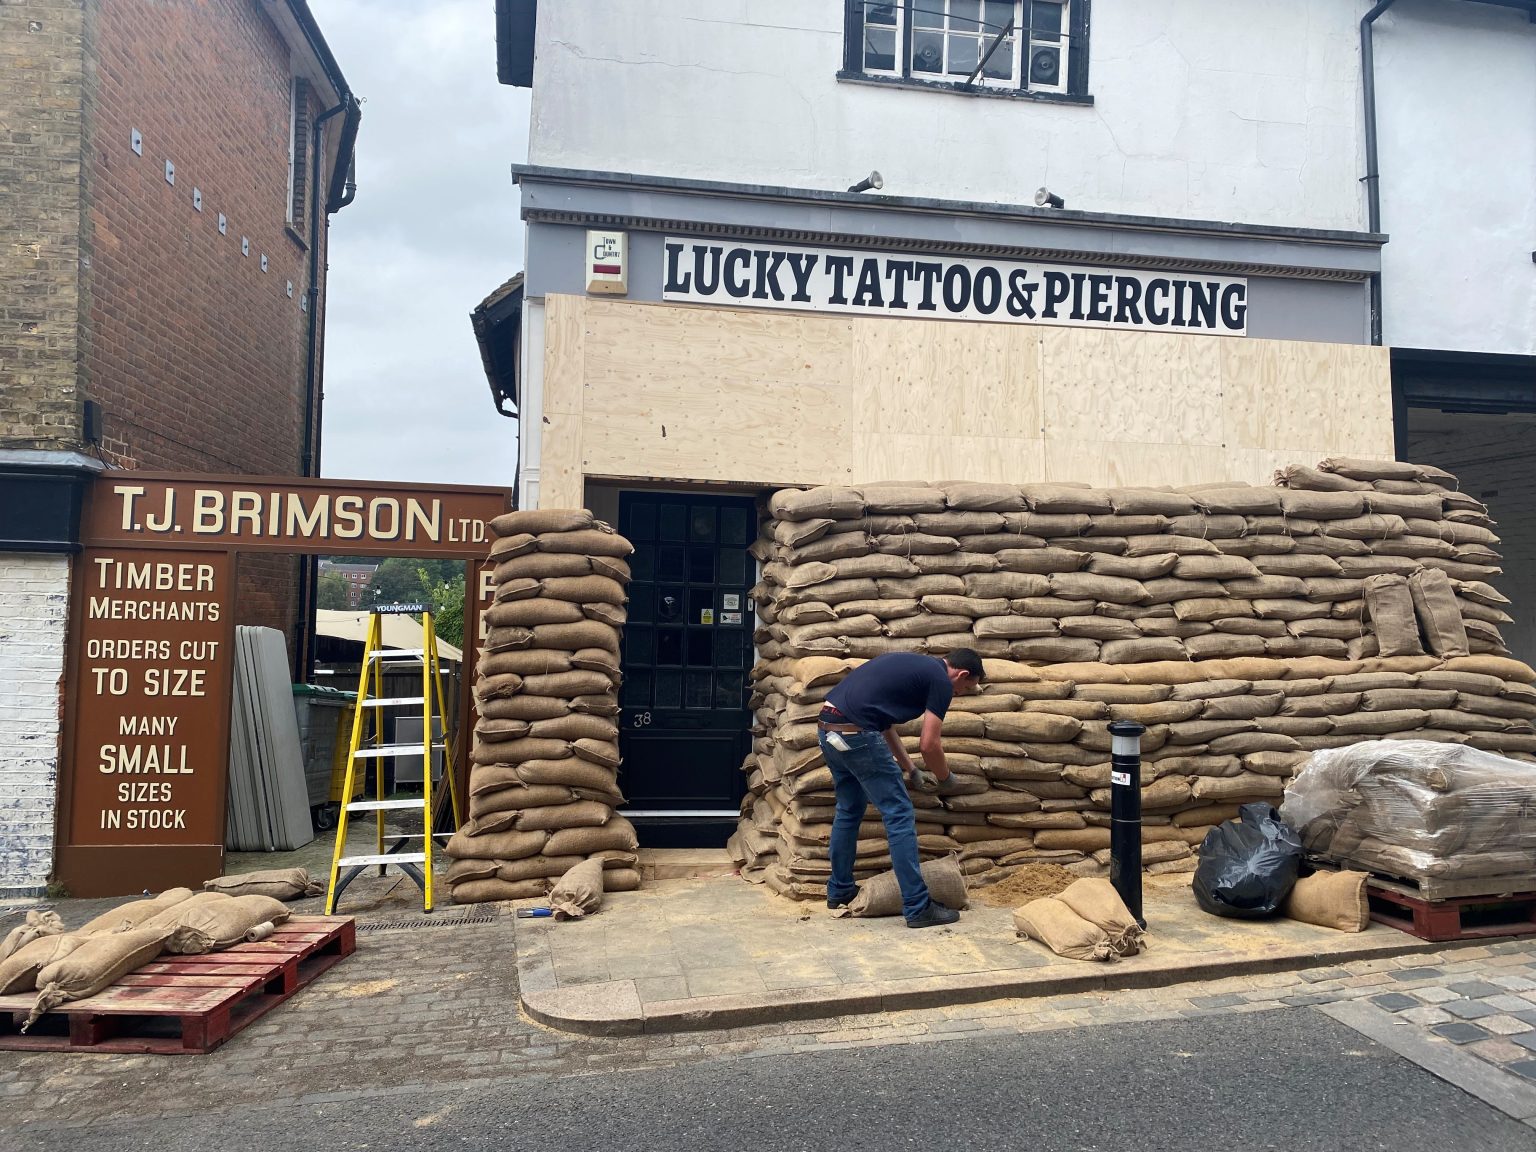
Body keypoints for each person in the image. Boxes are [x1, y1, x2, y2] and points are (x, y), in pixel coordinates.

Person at [817, 649, 985, 928]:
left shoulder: (913, 664)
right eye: (964, 688)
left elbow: (884, 726)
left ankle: (840, 890)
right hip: (857, 734)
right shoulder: (941, 681)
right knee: (899, 814)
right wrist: (945, 778)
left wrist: (912, 769)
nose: (959, 694)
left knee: (849, 809)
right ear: (962, 674)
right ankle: (918, 907)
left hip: (829, 728)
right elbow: (929, 744)